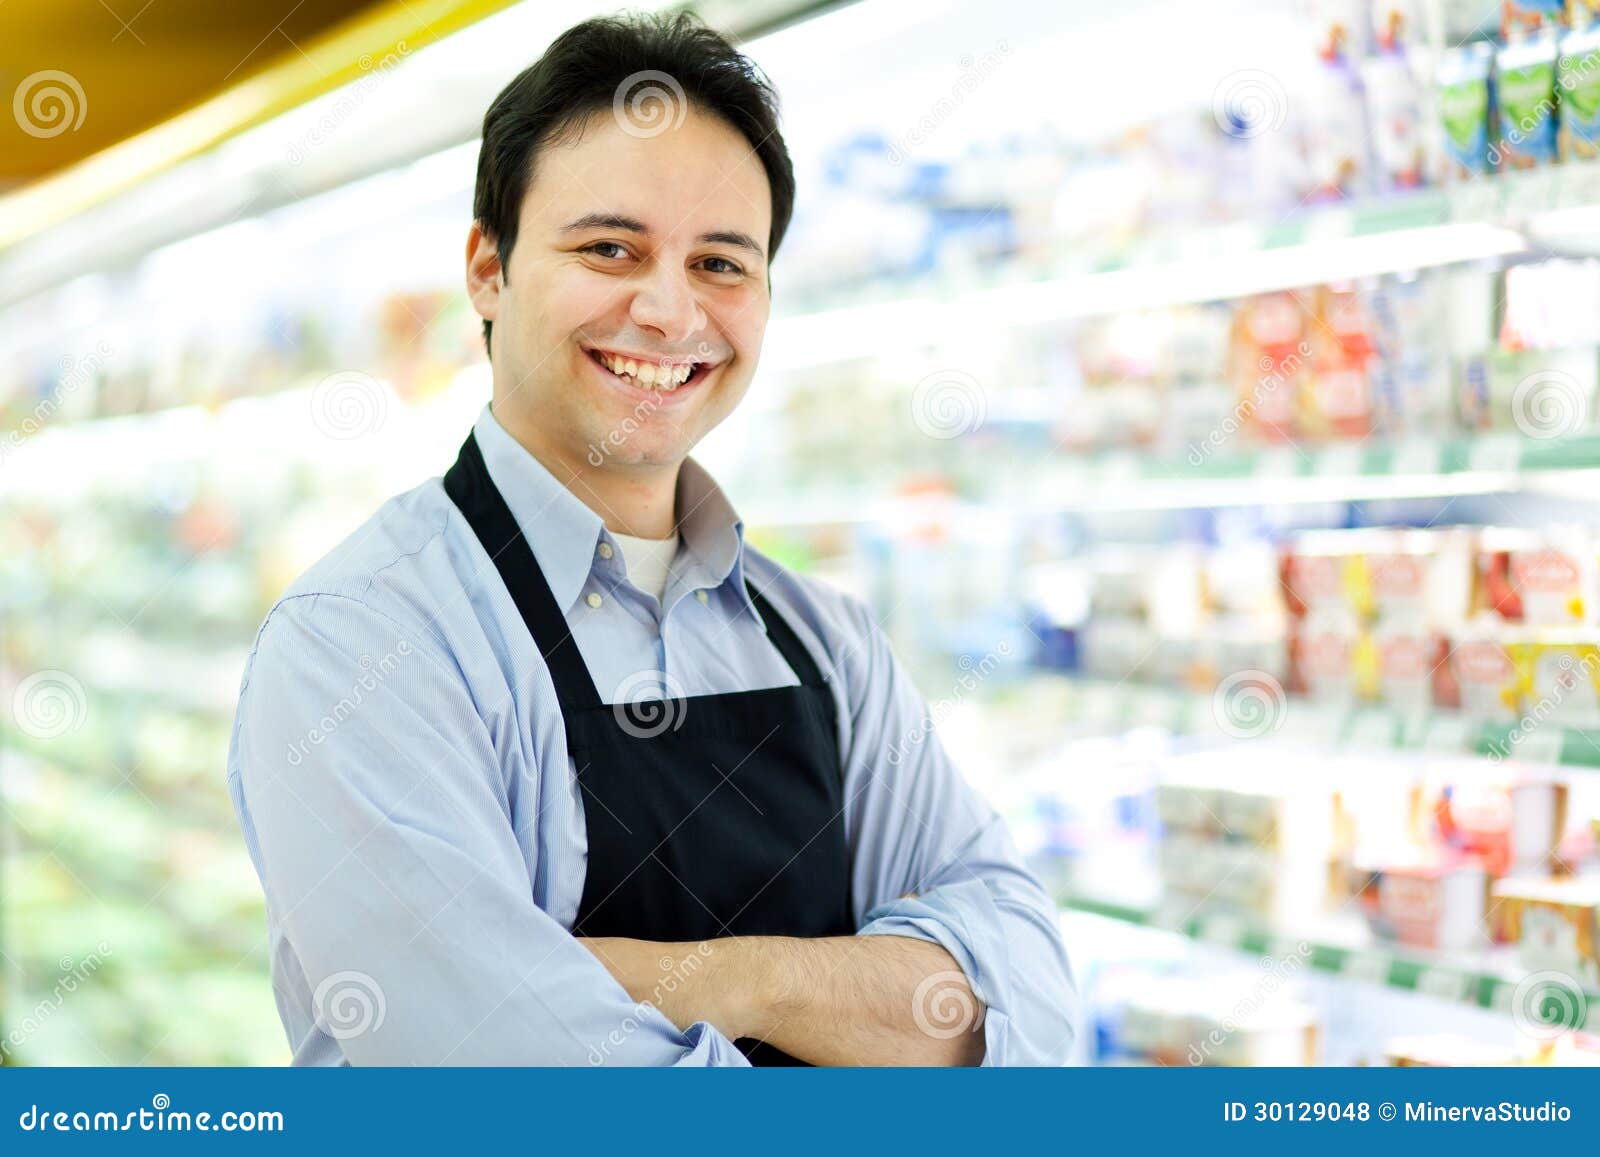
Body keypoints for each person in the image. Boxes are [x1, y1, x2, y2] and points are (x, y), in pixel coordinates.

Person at [227, 10, 1076, 1067]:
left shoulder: (828, 640)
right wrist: (863, 1007)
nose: (671, 313)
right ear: (487, 270)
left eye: (722, 263)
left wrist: (731, 975)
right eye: (610, 248)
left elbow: (1031, 1010)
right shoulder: (362, 644)